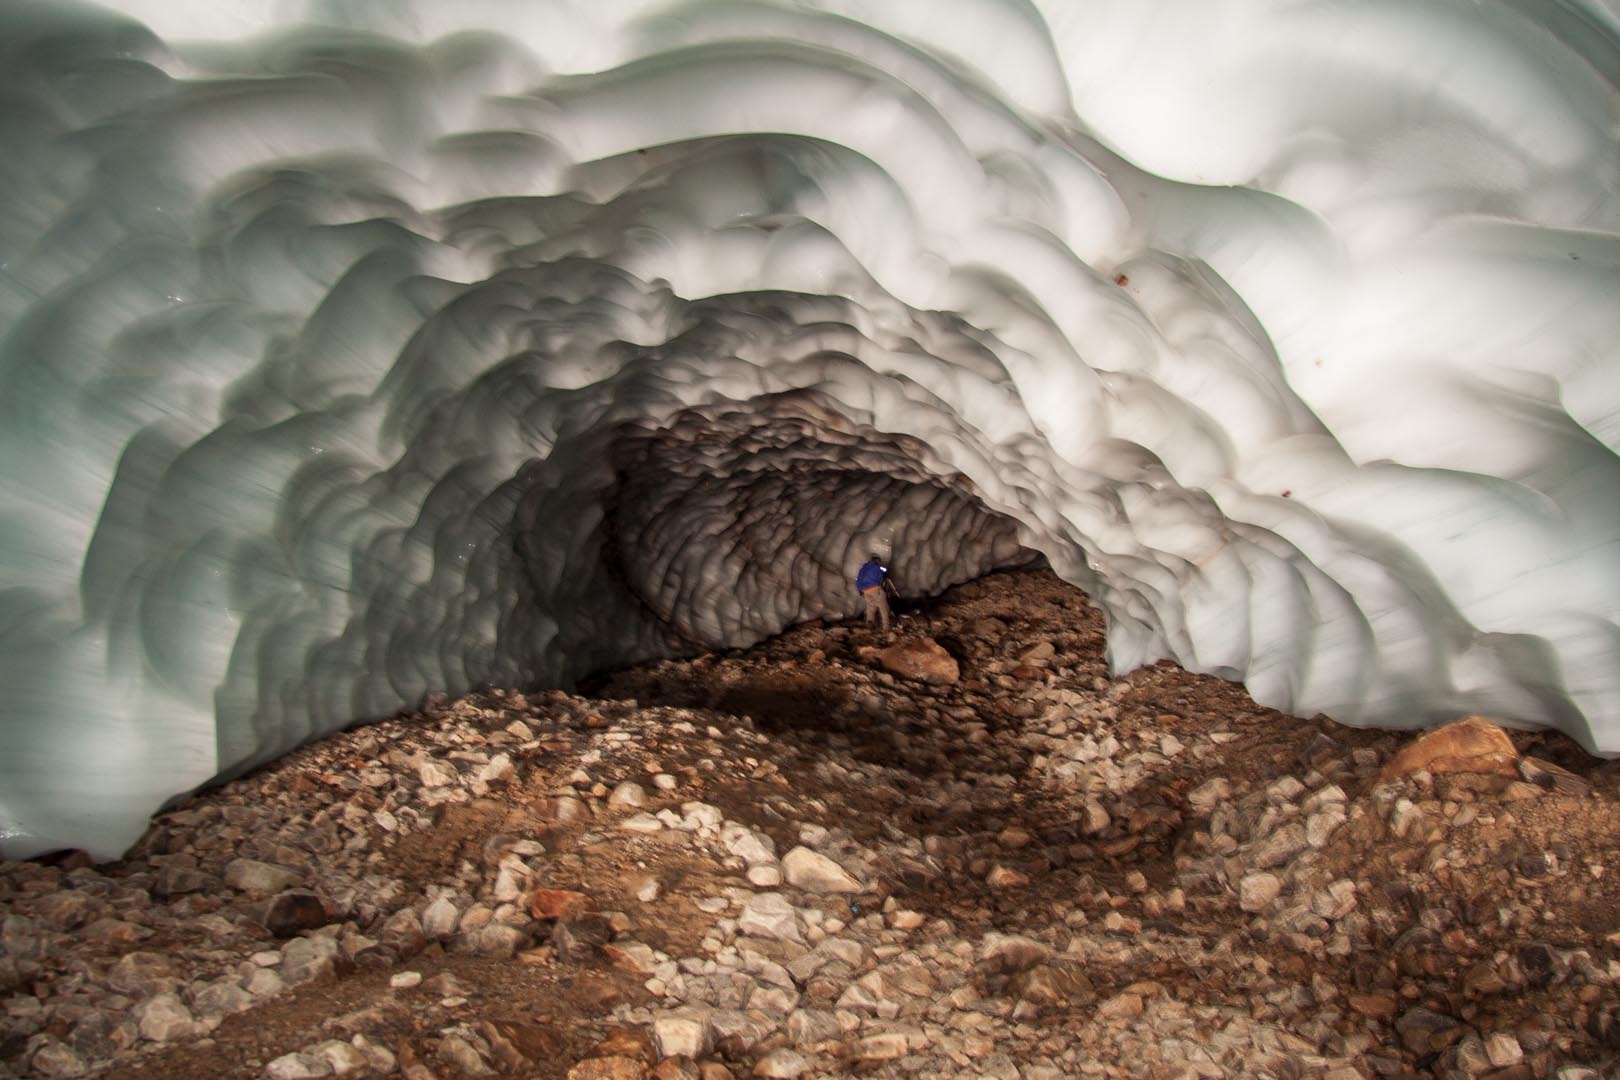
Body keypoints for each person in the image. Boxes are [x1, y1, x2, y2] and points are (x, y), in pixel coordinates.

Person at [855, 554, 891, 632]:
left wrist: (860, 590)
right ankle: (886, 627)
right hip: (875, 589)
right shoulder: (876, 567)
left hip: (865, 591)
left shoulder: (863, 568)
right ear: (877, 561)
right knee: (883, 608)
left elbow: (858, 579)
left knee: (870, 608)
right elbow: (882, 575)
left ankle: (869, 626)